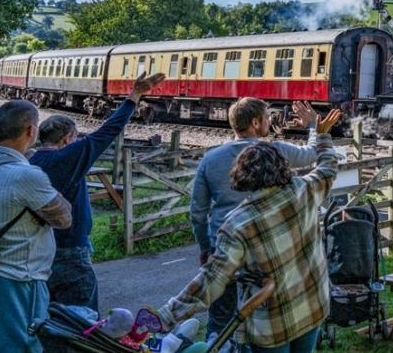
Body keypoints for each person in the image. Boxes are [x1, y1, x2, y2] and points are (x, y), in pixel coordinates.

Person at [158, 109, 342, 353]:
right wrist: (323, 136)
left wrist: (167, 315)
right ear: (282, 166)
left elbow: (212, 280)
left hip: (272, 324)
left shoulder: (237, 225)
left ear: (242, 175)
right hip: (312, 305)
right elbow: (328, 167)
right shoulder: (305, 189)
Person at [189, 97, 322, 343]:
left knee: (220, 316)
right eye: (268, 117)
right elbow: (312, 155)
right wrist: (313, 127)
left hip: (224, 246)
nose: (271, 122)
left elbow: (198, 212)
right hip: (267, 248)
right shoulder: (275, 152)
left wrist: (206, 247)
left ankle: (216, 345)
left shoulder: (211, 158)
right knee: (266, 312)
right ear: (255, 122)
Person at [30, 72, 165, 310]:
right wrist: (134, 95)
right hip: (71, 250)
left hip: (37, 252)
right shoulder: (70, 157)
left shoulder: (30, 163)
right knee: (83, 317)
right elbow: (109, 130)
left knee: (47, 315)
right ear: (67, 139)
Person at [0, 100, 74, 353]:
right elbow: (64, 218)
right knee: (22, 346)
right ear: (31, 131)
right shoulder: (26, 175)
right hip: (20, 279)